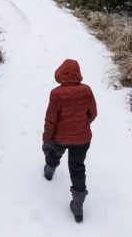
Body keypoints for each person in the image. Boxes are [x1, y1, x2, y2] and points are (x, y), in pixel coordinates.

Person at [42, 59, 98, 223]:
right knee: (77, 167)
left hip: (60, 137)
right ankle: (78, 205)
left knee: (54, 153)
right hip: (83, 138)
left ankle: (49, 172)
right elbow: (93, 113)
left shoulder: (56, 94)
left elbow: (50, 121)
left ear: (60, 73)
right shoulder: (87, 90)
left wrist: (46, 139)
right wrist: (83, 123)